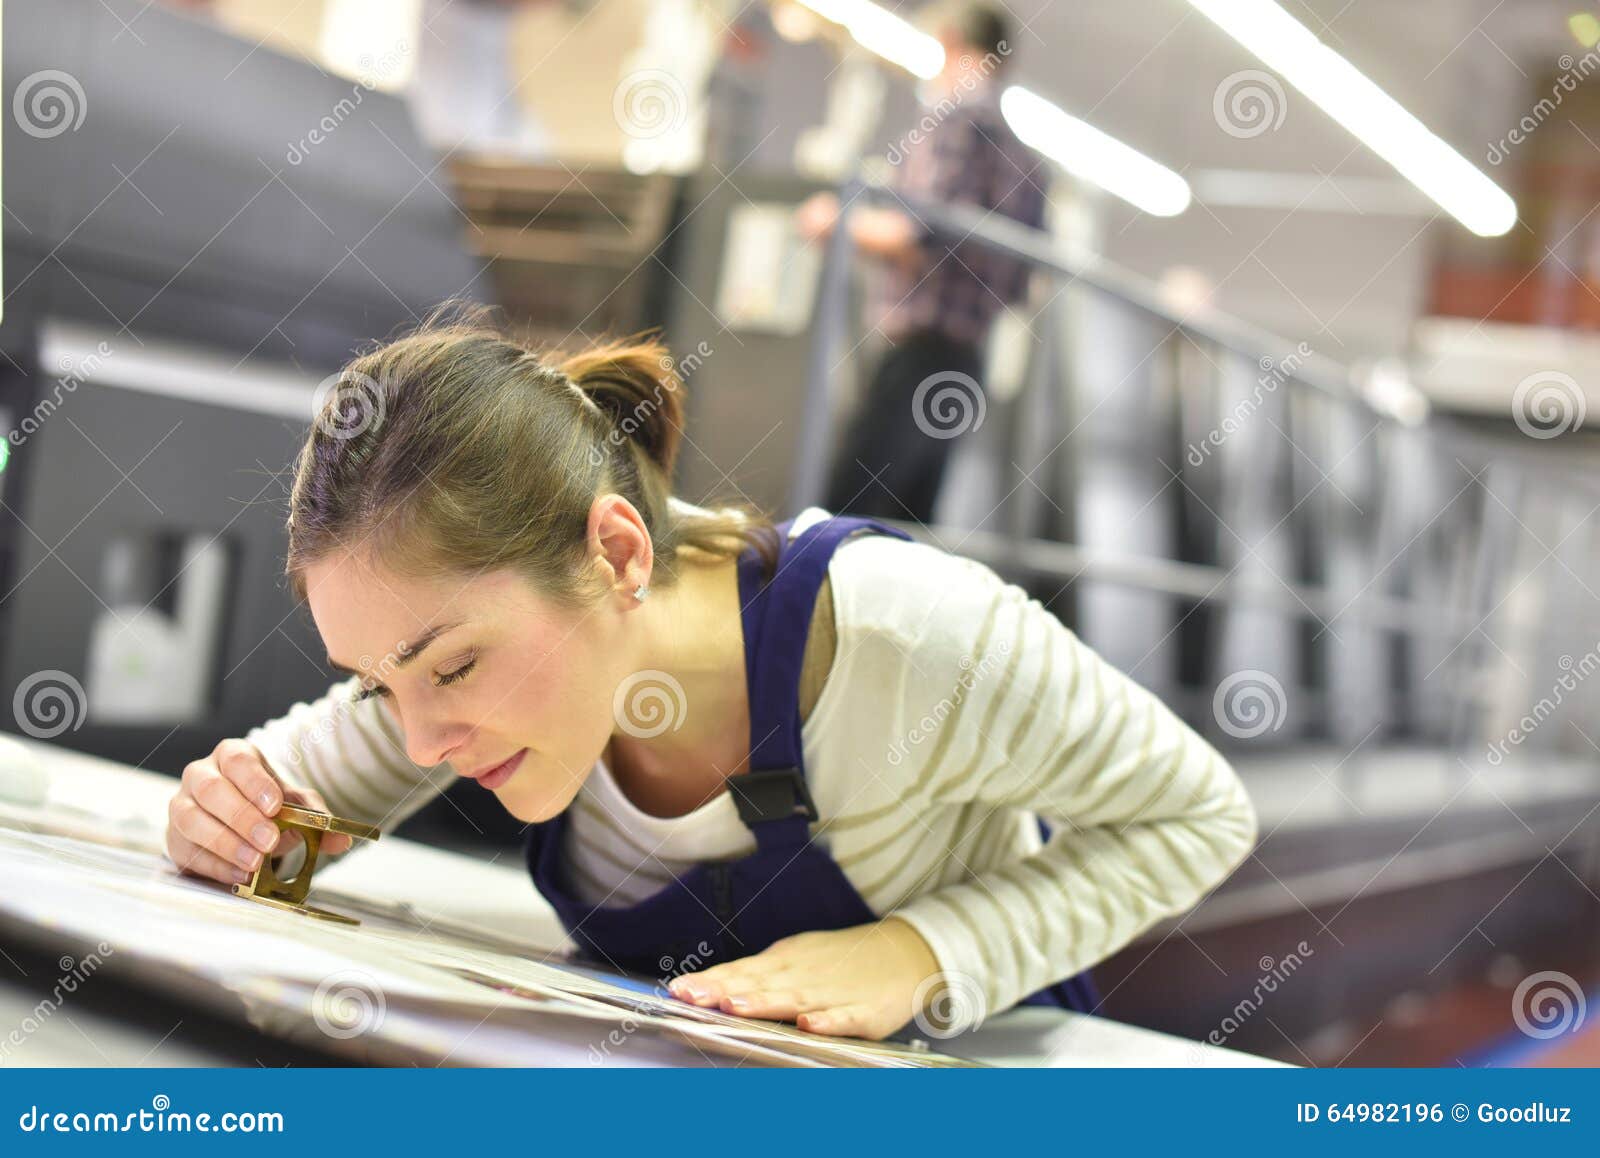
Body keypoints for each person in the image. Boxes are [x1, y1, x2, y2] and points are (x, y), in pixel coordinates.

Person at [163, 307, 1256, 1042]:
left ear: (620, 555)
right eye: (373, 685)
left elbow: (1199, 816)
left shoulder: (908, 636)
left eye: (453, 666)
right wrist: (230, 828)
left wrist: (921, 951)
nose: (415, 744)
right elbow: (272, 826)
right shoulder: (457, 688)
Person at [797, 1, 1046, 524]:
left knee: (842, 515)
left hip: (919, 354)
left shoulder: (958, 116)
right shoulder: (1025, 155)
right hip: (969, 360)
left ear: (951, 40)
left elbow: (924, 232)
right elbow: (1023, 277)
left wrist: (837, 222)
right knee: (905, 523)